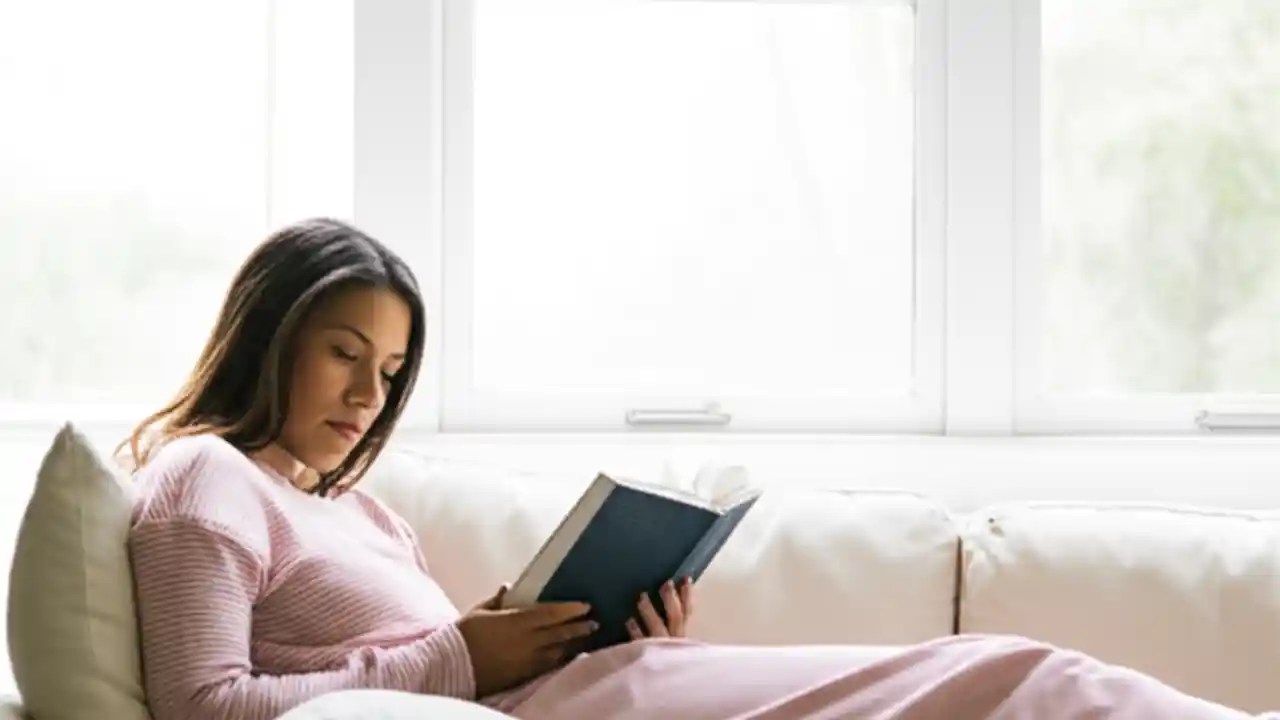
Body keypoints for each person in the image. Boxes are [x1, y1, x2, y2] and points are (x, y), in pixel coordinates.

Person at [124, 218, 1273, 720]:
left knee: (1001, 681)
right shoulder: (204, 482)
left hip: (593, 690)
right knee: (1009, 678)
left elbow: (432, 662)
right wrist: (459, 652)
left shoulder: (359, 509)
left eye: (390, 367)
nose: (371, 394)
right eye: (343, 354)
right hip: (557, 712)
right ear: (268, 331)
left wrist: (605, 629)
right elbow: (202, 706)